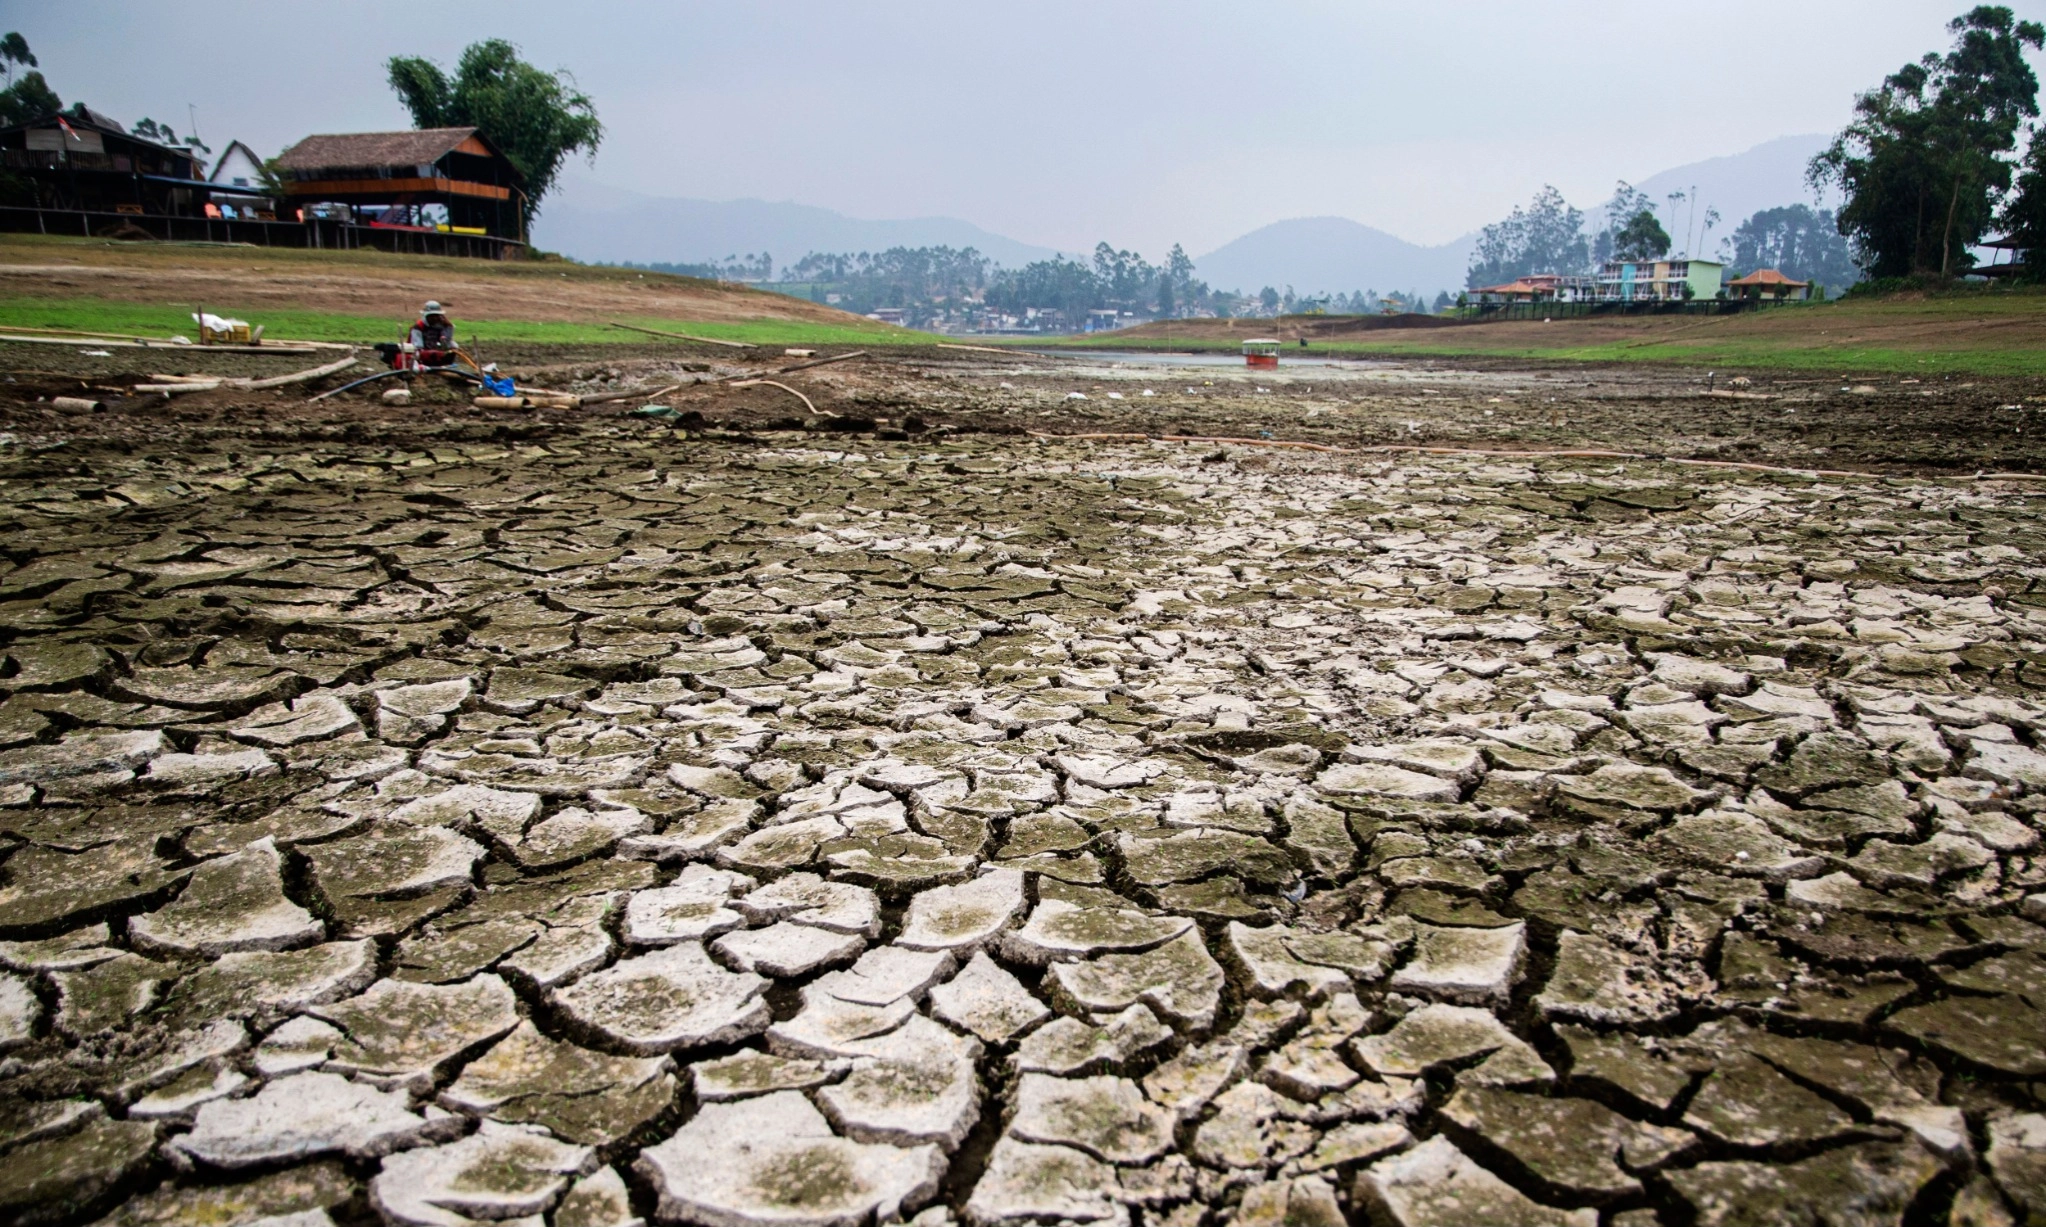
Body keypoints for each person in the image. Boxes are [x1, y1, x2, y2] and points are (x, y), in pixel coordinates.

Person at [408, 301, 455, 365]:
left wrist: (444, 339)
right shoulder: (418, 327)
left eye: (436, 315)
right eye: (432, 316)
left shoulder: (445, 325)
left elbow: (448, 343)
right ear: (426, 315)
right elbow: (417, 347)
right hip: (422, 355)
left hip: (438, 352)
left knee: (453, 348)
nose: (434, 318)